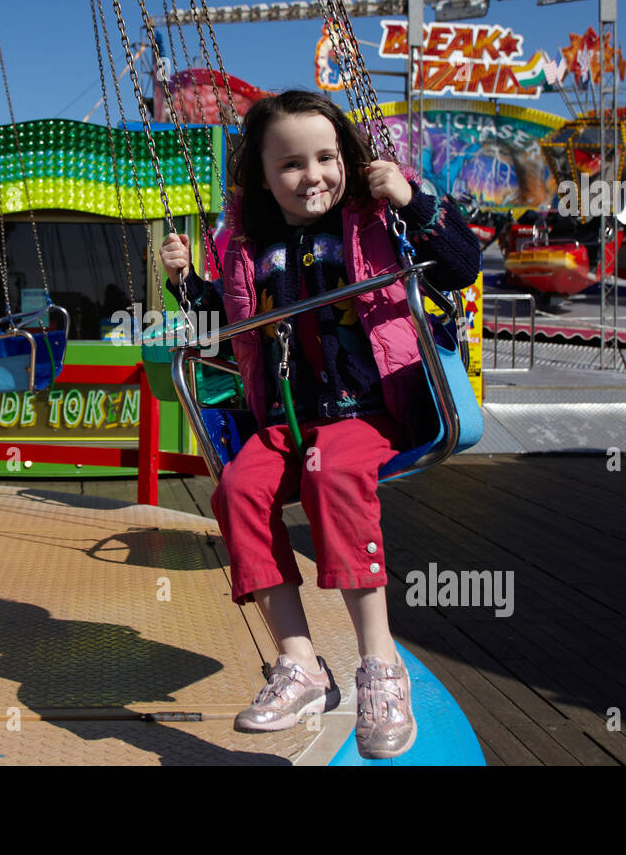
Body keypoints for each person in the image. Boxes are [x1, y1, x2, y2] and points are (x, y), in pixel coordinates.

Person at [158, 89, 479, 759]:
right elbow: (226, 331)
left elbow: (460, 264)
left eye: (326, 157)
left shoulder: (372, 219)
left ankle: (380, 664)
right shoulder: (248, 247)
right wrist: (188, 286)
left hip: (369, 409)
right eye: (291, 165)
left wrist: (413, 200)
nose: (314, 176)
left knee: (333, 475)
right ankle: (301, 664)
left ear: (347, 158)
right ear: (262, 176)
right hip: (286, 419)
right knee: (236, 490)